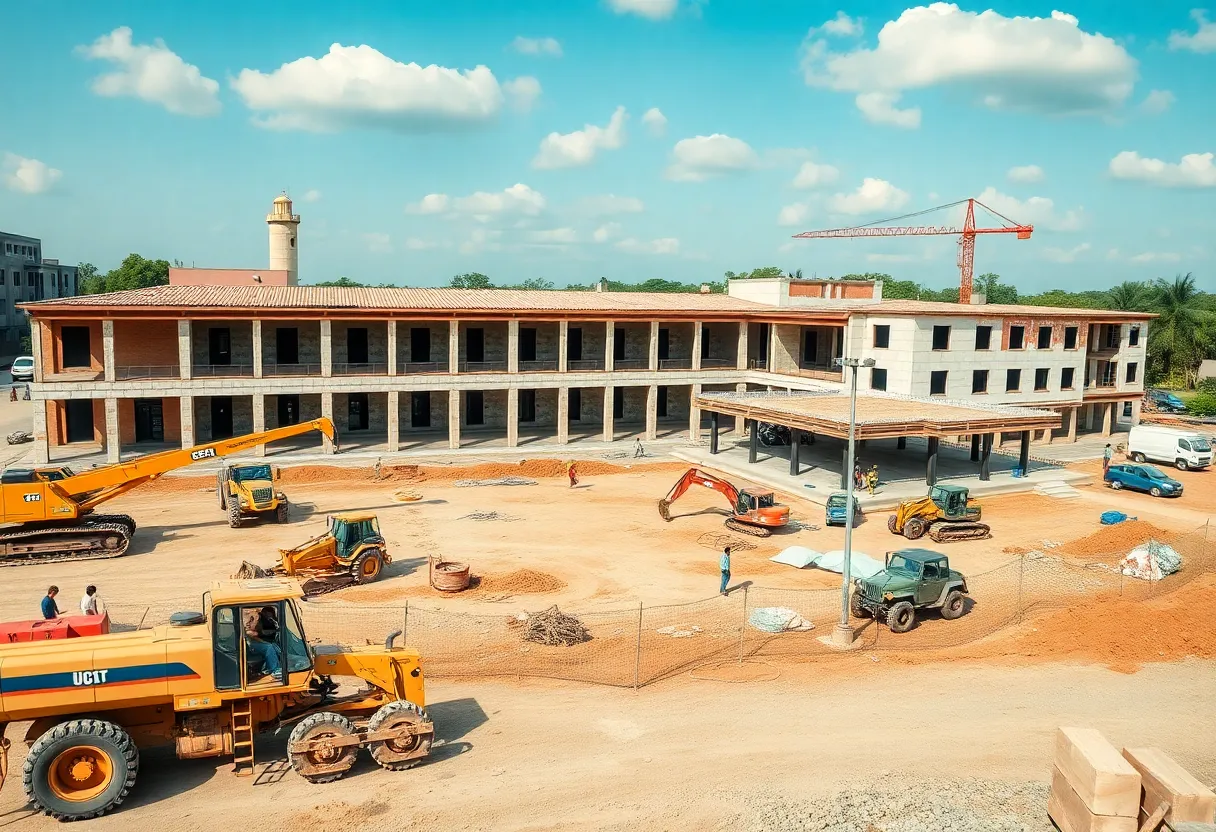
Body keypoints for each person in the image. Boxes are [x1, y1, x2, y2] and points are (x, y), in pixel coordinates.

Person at [245, 607, 282, 677]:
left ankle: (278, 668)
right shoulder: (253, 618)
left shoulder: (271, 621)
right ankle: (274, 670)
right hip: (251, 644)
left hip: (262, 641)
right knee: (268, 647)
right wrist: (259, 635)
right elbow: (248, 632)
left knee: (276, 647)